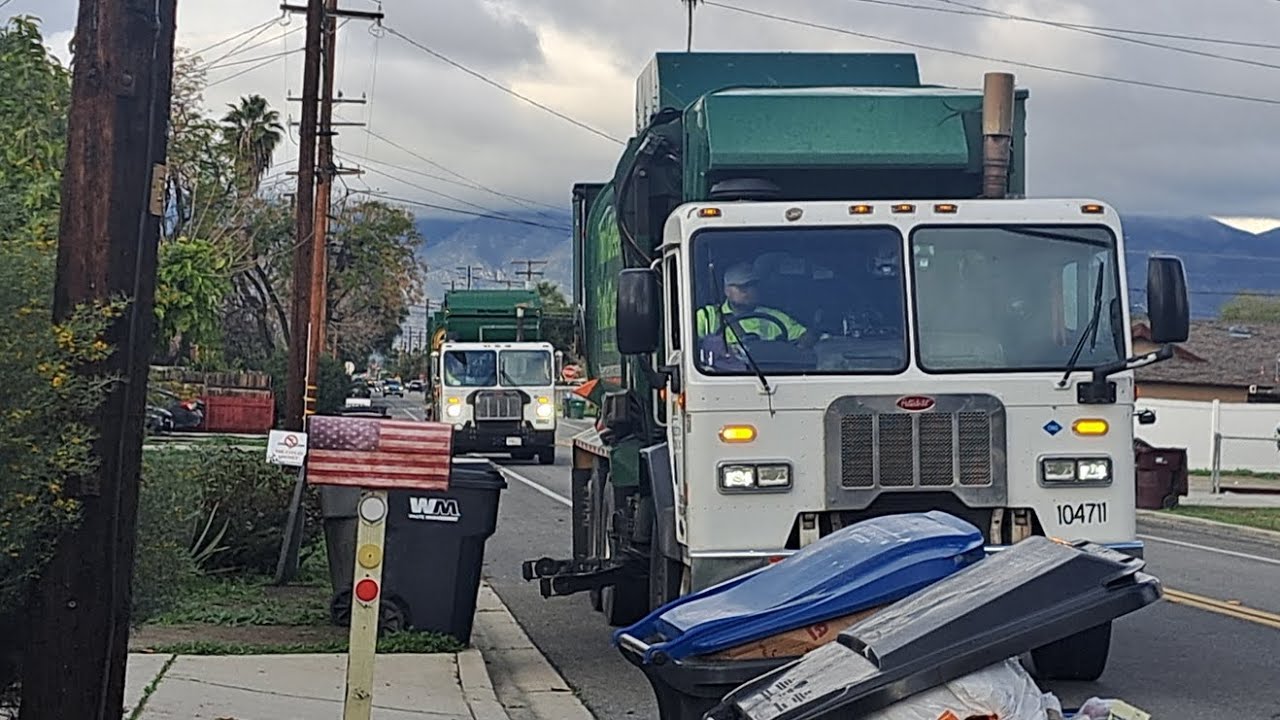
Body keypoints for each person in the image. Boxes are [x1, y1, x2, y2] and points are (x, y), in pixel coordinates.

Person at [695, 263, 815, 355]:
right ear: (726, 290)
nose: (749, 291)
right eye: (742, 286)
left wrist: (802, 345)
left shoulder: (774, 316)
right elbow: (690, 346)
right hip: (722, 377)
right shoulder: (706, 316)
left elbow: (806, 335)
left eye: (753, 285)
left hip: (767, 376)